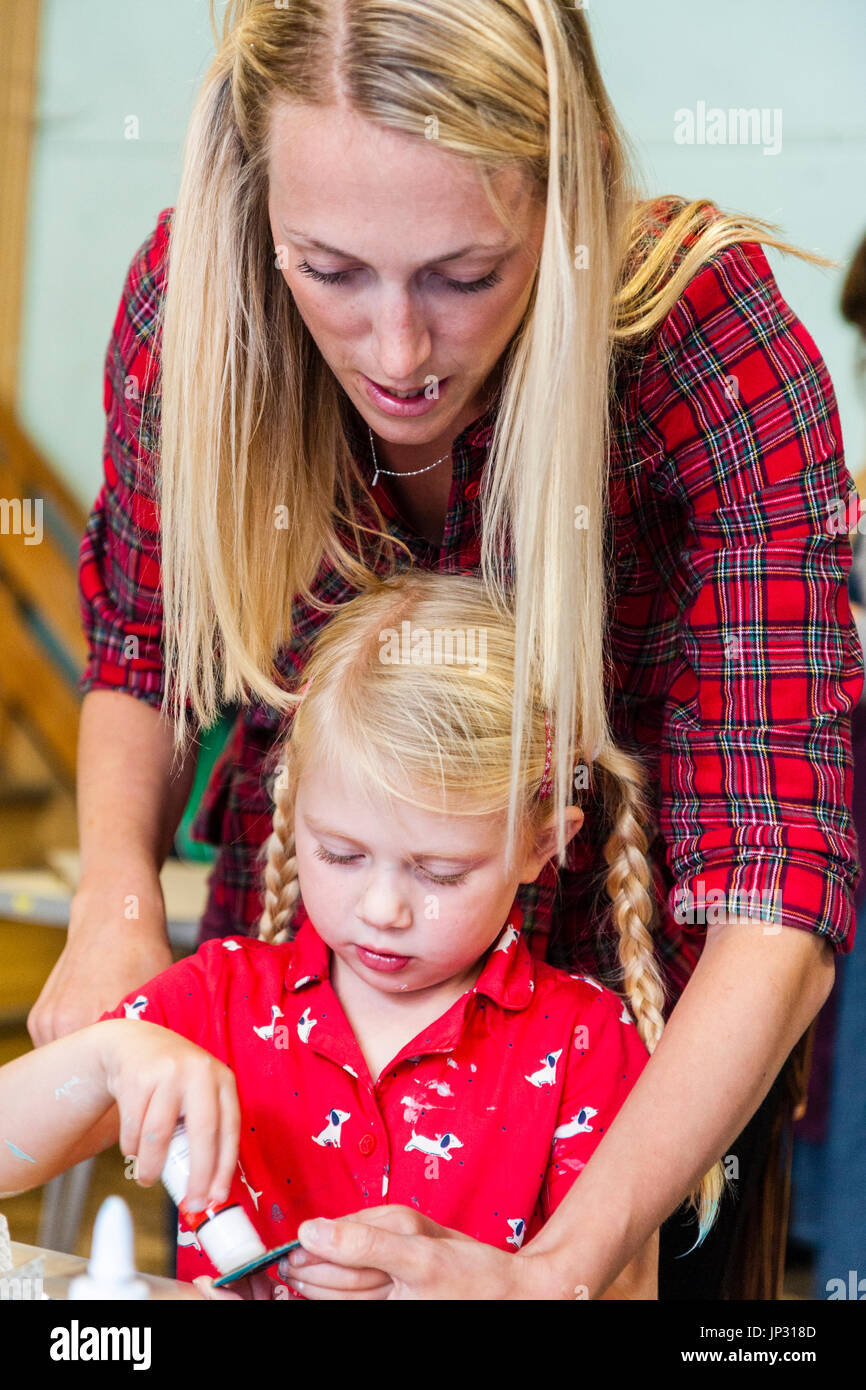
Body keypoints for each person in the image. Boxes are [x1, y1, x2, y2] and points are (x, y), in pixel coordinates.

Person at [28, 0, 860, 1299]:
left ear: (564, 195)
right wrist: (117, 907)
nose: (399, 352)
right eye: (331, 269)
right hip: (301, 1068)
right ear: (257, 211)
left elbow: (777, 879)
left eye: (464, 274)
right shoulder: (195, 306)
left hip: (638, 1096)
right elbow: (143, 646)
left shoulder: (707, 344)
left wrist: (556, 1272)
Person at [3, 572, 673, 1299]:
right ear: (298, 815)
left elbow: (621, 1291)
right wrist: (108, 1058)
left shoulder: (588, 1044)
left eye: (442, 873)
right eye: (342, 855)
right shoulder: (221, 996)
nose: (383, 908)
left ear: (544, 845)